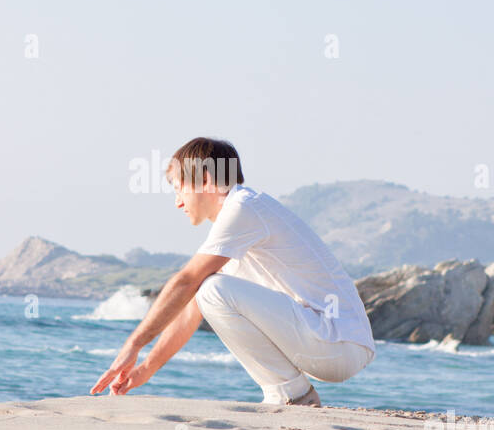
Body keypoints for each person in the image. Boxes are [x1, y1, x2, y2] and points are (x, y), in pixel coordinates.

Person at [90, 136, 375, 408]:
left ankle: (292, 396)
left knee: (211, 288)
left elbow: (186, 281)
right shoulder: (236, 225)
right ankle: (291, 394)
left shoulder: (244, 207)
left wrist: (133, 344)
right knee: (209, 290)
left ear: (205, 179)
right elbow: (192, 310)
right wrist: (146, 369)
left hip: (337, 342)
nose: (178, 201)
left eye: (179, 189)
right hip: (332, 345)